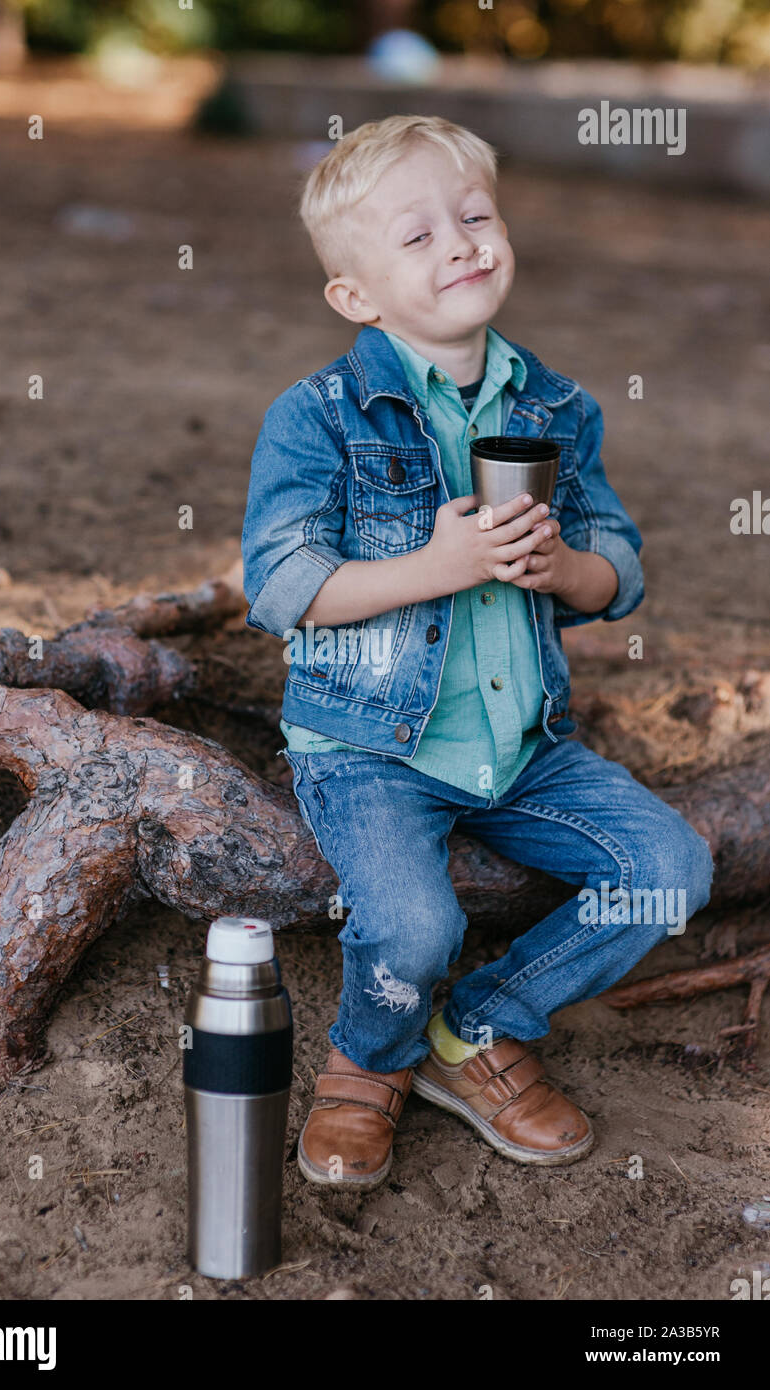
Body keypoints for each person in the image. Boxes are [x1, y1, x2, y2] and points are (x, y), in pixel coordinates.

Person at [241, 114, 714, 1190]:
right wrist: (438, 563)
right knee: (413, 922)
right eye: (415, 237)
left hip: (520, 744)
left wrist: (568, 574)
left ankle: (477, 1029)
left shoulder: (554, 404)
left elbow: (618, 564)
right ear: (353, 295)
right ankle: (367, 1062)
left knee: (669, 867)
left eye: (473, 215)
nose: (459, 243)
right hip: (367, 742)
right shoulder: (317, 415)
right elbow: (279, 588)